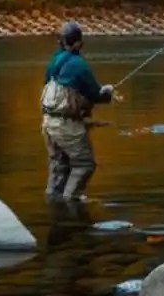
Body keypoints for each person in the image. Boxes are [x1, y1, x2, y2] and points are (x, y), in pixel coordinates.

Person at [41, 21, 115, 201]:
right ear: (78, 43)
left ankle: (54, 203)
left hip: (48, 124)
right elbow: (96, 94)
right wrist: (108, 92)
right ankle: (70, 202)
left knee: (59, 165)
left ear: (60, 42)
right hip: (67, 127)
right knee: (84, 164)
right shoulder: (78, 64)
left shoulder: (53, 61)